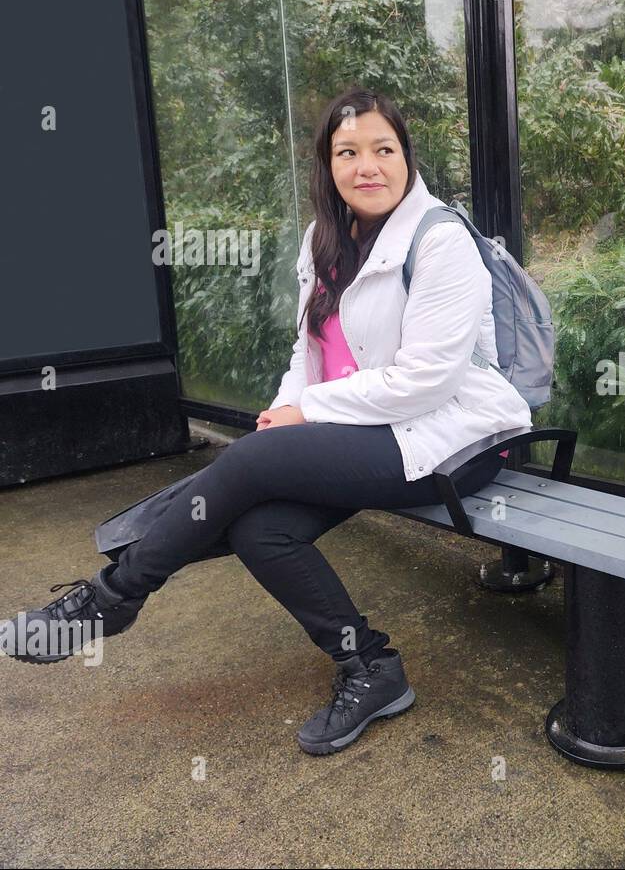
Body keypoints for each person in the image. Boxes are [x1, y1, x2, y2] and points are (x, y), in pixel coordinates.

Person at [0, 87, 533, 755]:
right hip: (366, 430)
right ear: (327, 163)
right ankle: (372, 667)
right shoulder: (326, 238)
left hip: (455, 437)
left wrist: (303, 413)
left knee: (247, 466)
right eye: (348, 152)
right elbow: (305, 353)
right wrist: (287, 410)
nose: (367, 165)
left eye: (383, 149)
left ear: (406, 156)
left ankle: (113, 595)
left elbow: (426, 380)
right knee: (260, 527)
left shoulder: (440, 240)